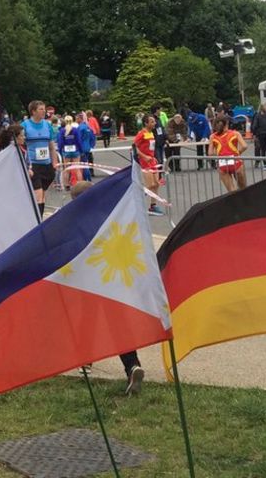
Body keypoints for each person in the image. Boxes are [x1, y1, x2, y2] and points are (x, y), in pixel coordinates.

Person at [70, 181, 145, 395]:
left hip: (89, 282)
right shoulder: (111, 215)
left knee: (87, 319)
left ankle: (86, 360)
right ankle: (132, 365)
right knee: (118, 324)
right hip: (112, 279)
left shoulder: (76, 222)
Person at [22, 100, 58, 217]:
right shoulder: (25, 125)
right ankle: (38, 221)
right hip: (33, 165)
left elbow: (51, 146)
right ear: (33, 111)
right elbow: (20, 146)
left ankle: (37, 218)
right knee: (38, 195)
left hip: (47, 164)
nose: (44, 111)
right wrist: (26, 165)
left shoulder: (47, 125)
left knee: (42, 195)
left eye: (44, 109)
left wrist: (54, 163)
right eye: (41, 109)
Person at [133, 115, 164, 216]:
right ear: (146, 123)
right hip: (144, 162)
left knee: (156, 184)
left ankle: (153, 206)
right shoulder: (141, 133)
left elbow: (150, 147)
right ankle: (136, 202)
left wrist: (153, 157)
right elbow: (134, 147)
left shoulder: (151, 133)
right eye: (152, 122)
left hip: (152, 161)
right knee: (150, 185)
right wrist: (144, 156)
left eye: (154, 121)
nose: (154, 123)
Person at [209, 116, 248, 192]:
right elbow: (244, 146)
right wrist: (238, 152)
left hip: (222, 164)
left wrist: (220, 155)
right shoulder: (235, 133)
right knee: (243, 189)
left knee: (231, 191)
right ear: (227, 124)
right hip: (236, 161)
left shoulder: (212, 136)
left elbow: (210, 153)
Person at [76, 113, 97, 182]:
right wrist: (91, 145)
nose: (76, 120)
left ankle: (86, 179)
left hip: (82, 148)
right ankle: (88, 179)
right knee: (86, 163)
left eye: (77, 118)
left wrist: (78, 148)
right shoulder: (88, 127)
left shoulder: (80, 128)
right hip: (87, 147)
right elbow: (92, 137)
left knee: (83, 165)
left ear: (80, 119)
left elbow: (78, 139)